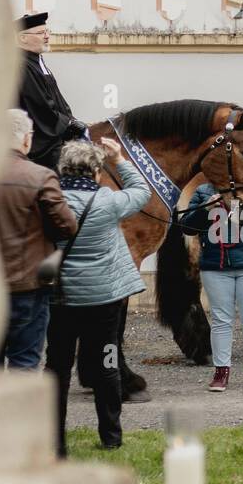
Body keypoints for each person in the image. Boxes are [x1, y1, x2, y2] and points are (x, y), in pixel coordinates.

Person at [45, 138, 150, 451]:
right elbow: (143, 192)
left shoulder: (51, 202)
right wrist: (118, 159)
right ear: (96, 172)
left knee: (57, 367)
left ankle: (55, 443)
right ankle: (111, 437)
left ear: (62, 169)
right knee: (107, 365)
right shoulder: (109, 201)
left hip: (61, 299)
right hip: (104, 300)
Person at [0, 110, 77, 371]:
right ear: (27, 139)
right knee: (25, 362)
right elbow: (67, 226)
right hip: (28, 284)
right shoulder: (40, 176)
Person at [179, 183, 243, 392]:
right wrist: (204, 209)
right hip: (215, 266)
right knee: (221, 321)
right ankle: (221, 371)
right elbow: (187, 226)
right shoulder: (204, 191)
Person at [17, 12, 88, 171]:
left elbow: (57, 100)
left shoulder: (36, 61)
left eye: (47, 31)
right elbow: (39, 107)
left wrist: (72, 119)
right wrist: (68, 124)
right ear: (23, 38)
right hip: (40, 145)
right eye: (41, 33)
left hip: (56, 133)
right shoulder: (21, 65)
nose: (47, 36)